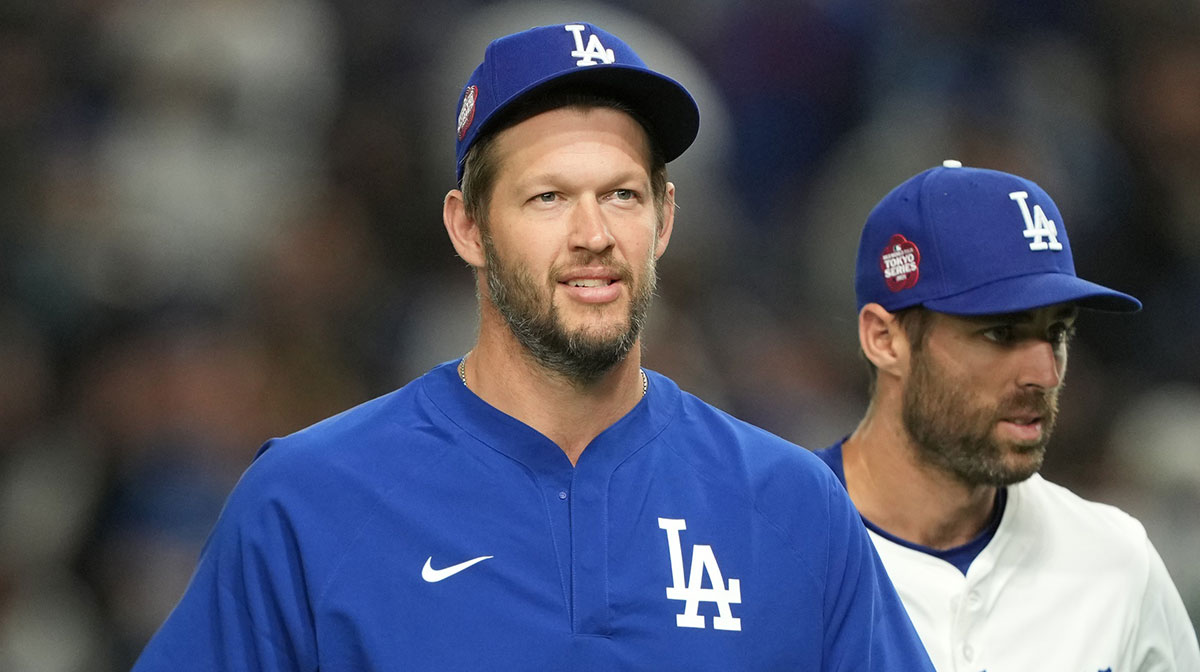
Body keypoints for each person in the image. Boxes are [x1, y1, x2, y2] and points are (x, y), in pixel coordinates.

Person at [131, 22, 935, 670]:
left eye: (621, 194)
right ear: (468, 226)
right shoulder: (309, 500)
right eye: (548, 196)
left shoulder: (794, 507)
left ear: (665, 218)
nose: (594, 235)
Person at [816, 160, 1200, 670]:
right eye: (1002, 333)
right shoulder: (777, 540)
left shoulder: (1115, 560)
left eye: (1058, 333)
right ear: (885, 340)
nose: (1045, 373)